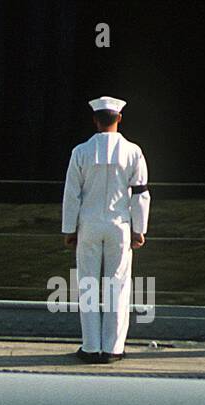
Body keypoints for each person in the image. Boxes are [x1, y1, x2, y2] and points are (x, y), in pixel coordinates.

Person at [61, 96, 150, 364]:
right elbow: (141, 193)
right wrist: (139, 228)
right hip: (119, 225)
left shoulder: (80, 152)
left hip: (88, 224)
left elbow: (71, 194)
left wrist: (69, 229)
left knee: (88, 284)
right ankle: (112, 348)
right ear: (119, 118)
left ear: (95, 120)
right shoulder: (133, 151)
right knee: (118, 286)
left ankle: (90, 346)